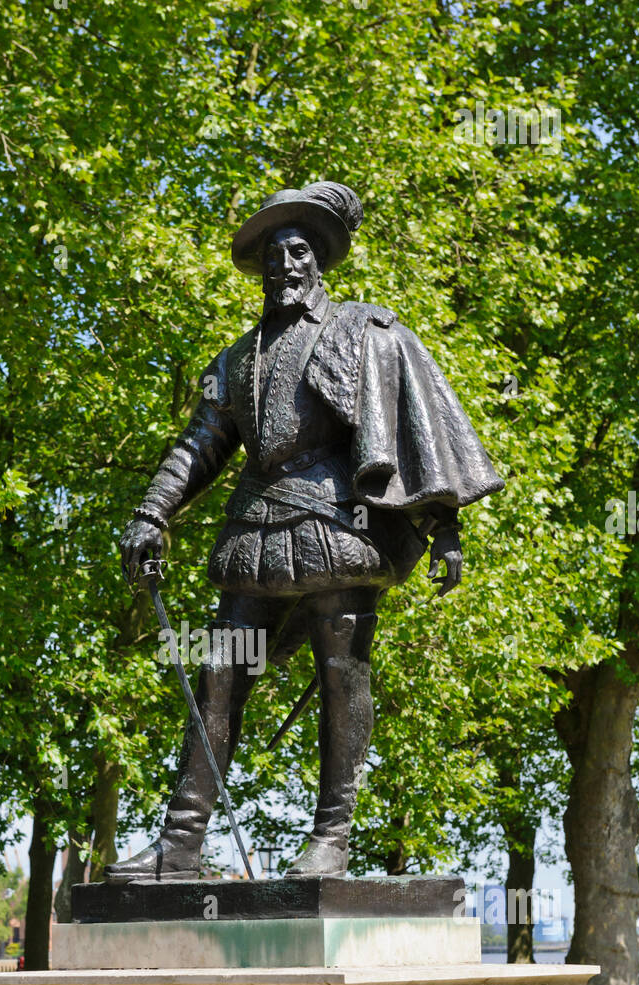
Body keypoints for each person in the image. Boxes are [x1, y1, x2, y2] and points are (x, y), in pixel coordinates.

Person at [107, 182, 503, 880]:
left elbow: (414, 436)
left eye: (296, 252)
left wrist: (442, 527)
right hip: (253, 533)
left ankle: (330, 840)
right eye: (270, 255)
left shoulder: (364, 332)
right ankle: (180, 843)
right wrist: (151, 512)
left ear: (318, 262)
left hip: (336, 528)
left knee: (340, 674)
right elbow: (199, 445)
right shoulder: (233, 360)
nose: (283, 265)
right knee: (219, 678)